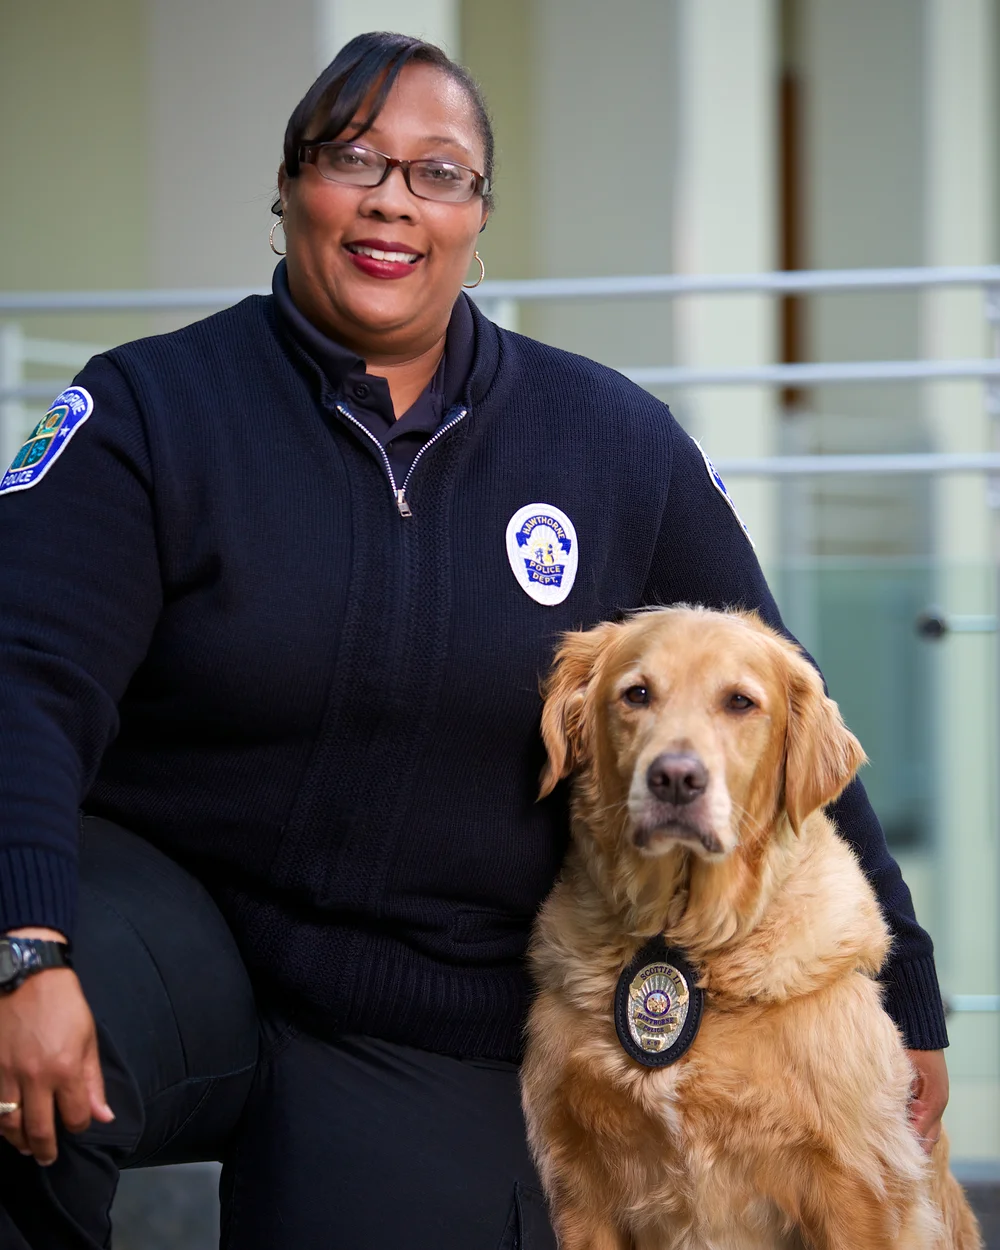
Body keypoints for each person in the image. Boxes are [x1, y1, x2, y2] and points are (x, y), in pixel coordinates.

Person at [0, 31, 949, 1250]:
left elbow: (774, 686)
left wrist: (904, 980)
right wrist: (25, 945)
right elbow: (24, 673)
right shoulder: (150, 407)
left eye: (437, 171)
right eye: (353, 157)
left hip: (424, 1011)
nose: (393, 197)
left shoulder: (610, 441)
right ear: (290, 187)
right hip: (173, 926)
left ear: (478, 214)